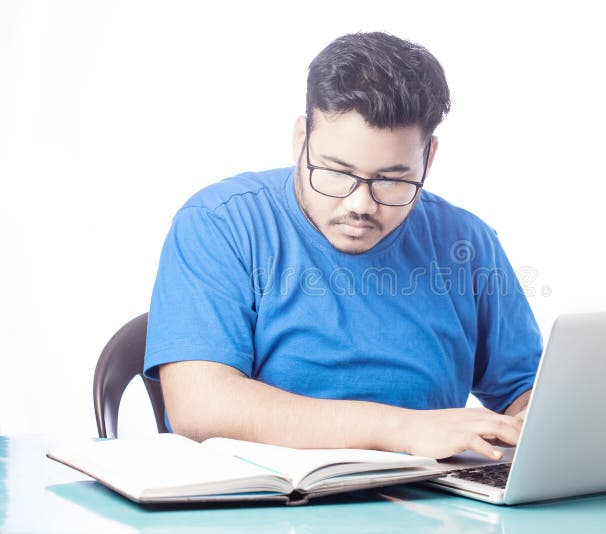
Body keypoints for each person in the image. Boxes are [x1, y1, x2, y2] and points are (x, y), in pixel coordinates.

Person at [143, 31, 543, 461]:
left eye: (391, 180)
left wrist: (539, 421)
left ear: (428, 159)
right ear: (301, 140)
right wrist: (404, 429)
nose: (359, 205)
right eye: (335, 173)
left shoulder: (467, 244)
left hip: (429, 507)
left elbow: (527, 393)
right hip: (264, 506)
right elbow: (199, 407)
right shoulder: (221, 224)